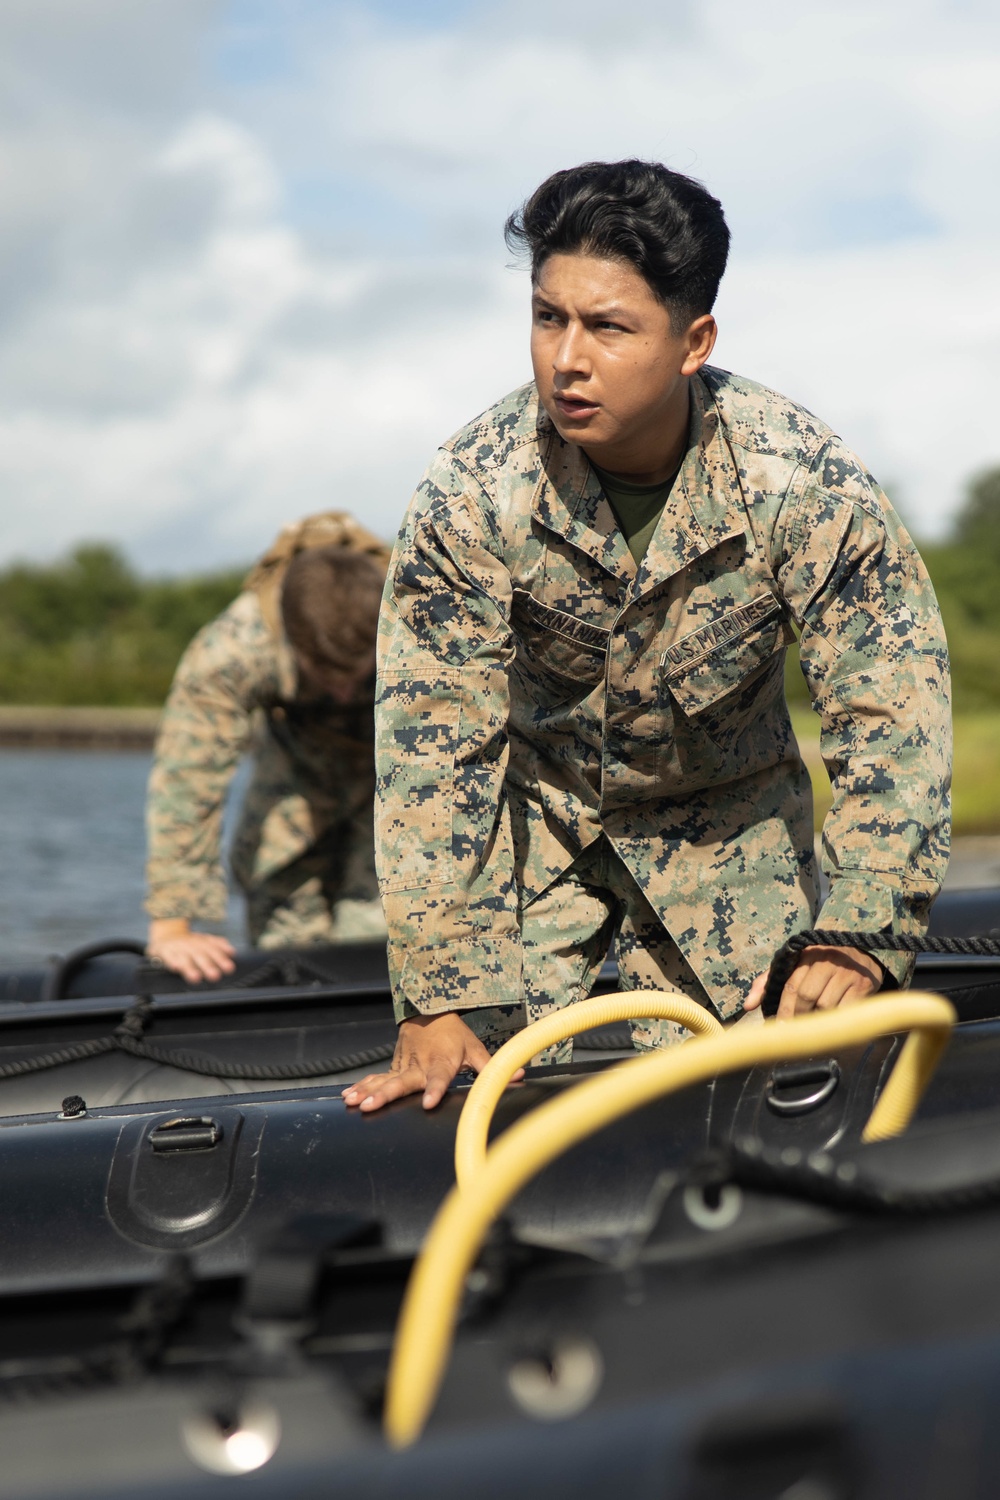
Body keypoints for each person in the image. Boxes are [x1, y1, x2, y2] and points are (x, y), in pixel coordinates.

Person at [343, 160, 951, 1115]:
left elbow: (893, 720)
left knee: (791, 1119)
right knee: (472, 1119)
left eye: (609, 326)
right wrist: (440, 990)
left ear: (692, 341)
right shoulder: (473, 489)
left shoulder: (803, 482)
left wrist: (859, 933)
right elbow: (433, 748)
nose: (565, 359)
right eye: (549, 318)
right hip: (538, 858)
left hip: (736, 853)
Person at [146, 511, 390, 983]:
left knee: (382, 929)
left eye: (354, 677)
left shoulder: (425, 614)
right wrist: (173, 926)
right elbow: (187, 778)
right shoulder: (234, 649)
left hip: (397, 772)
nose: (342, 694)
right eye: (327, 677)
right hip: (293, 778)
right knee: (286, 935)